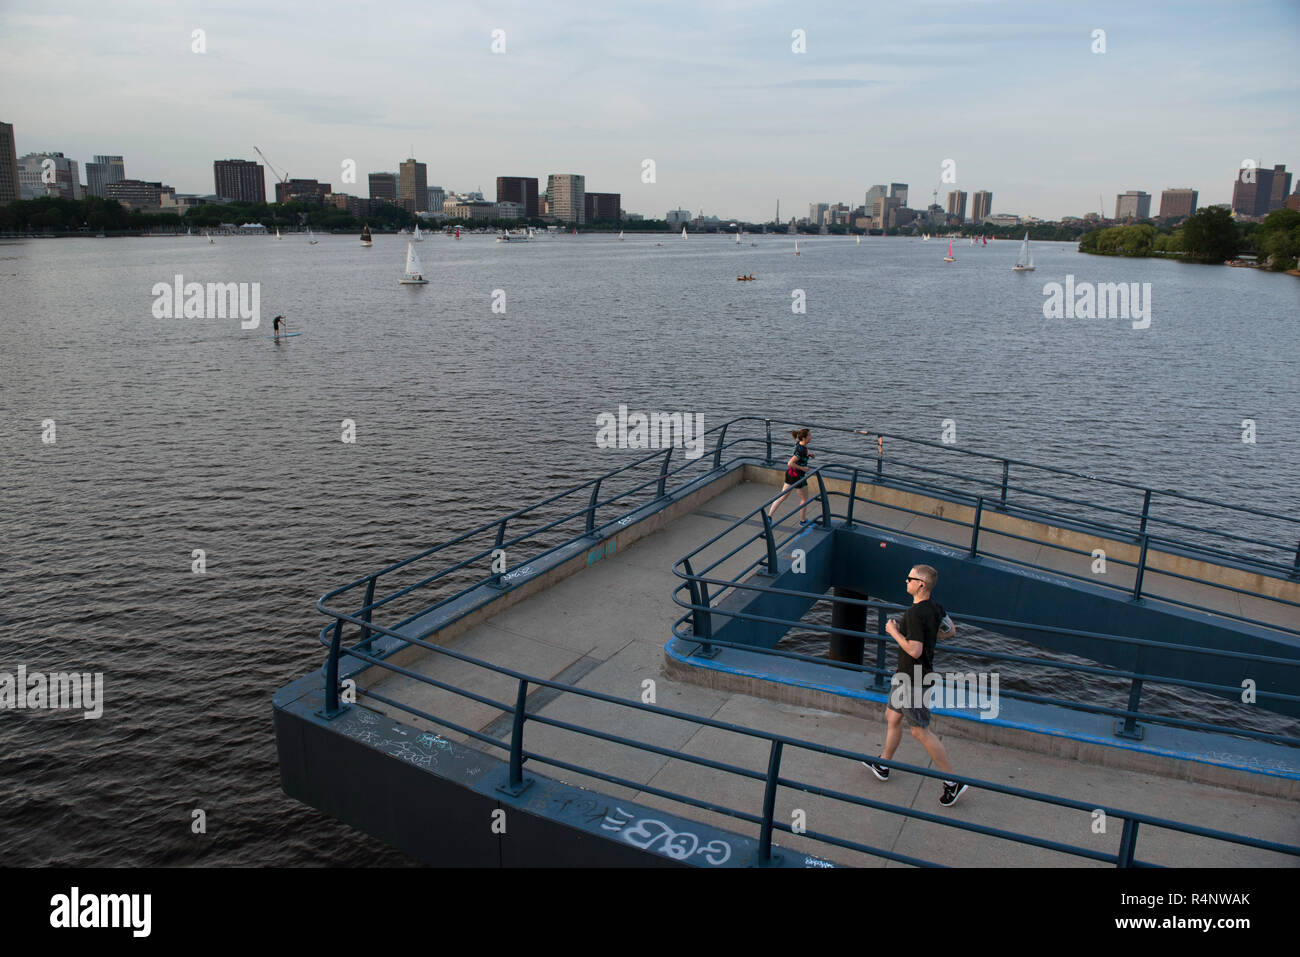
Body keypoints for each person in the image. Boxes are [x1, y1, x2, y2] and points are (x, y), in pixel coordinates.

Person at [863, 564, 968, 807]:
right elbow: (951, 631)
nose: (906, 581)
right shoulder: (936, 608)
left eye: (909, 578)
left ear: (920, 584)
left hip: (914, 678)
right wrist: (929, 635)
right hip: (906, 676)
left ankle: (953, 781)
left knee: (920, 730)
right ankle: (884, 764)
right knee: (892, 717)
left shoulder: (914, 614)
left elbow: (914, 649)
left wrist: (893, 631)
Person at [767, 428, 815, 524]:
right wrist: (803, 469)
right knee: (804, 499)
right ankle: (803, 521)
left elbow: (798, 454)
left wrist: (808, 455)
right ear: (805, 438)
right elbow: (790, 463)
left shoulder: (799, 445)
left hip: (790, 475)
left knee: (783, 496)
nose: (811, 437)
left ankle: (769, 516)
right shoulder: (801, 450)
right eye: (809, 435)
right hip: (798, 477)